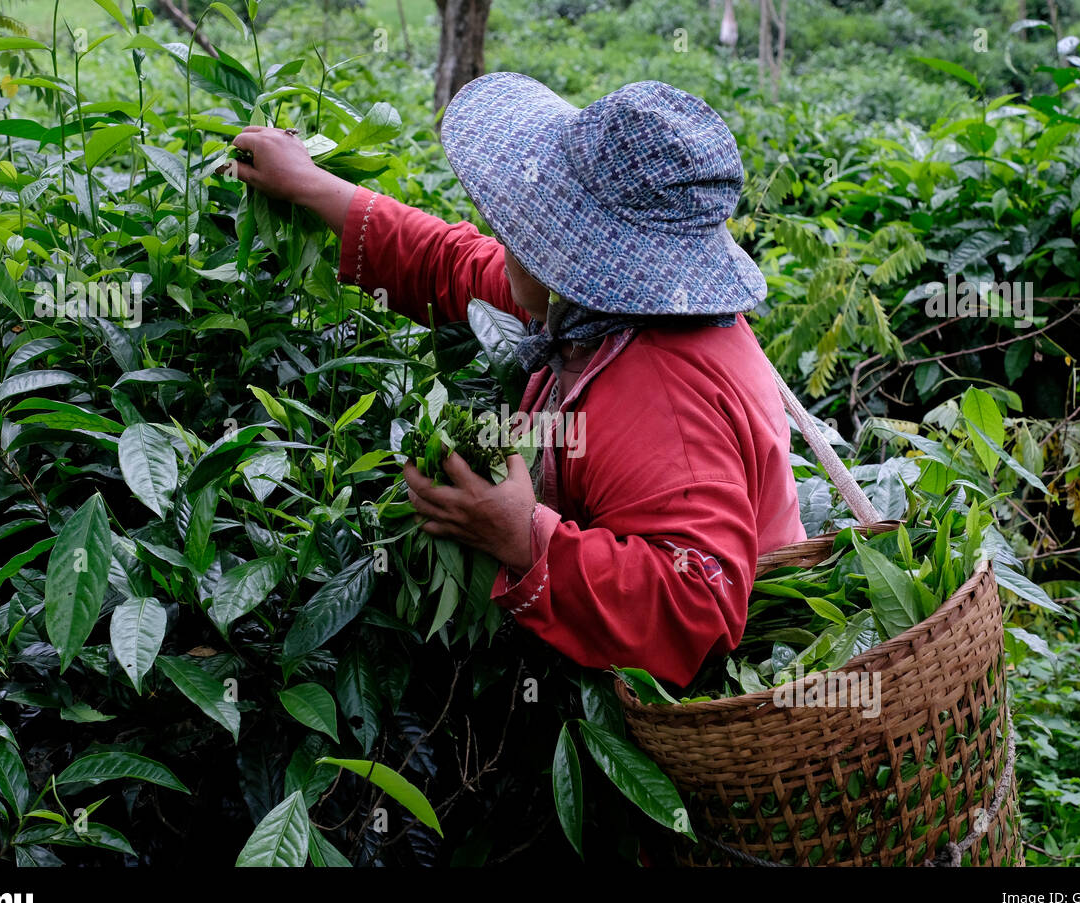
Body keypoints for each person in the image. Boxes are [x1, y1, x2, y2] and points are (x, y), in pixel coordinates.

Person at [224, 72, 806, 687]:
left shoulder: (658, 390)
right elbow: (455, 267)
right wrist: (310, 184)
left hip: (713, 712)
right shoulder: (605, 307)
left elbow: (699, 605)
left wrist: (522, 537)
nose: (503, 235)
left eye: (524, 227)